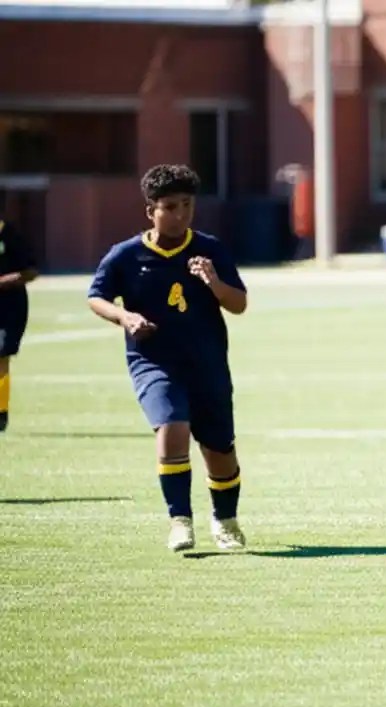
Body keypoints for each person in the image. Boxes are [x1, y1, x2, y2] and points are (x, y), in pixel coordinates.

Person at [87, 165, 249, 552]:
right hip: (154, 362)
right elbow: (96, 297)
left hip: (206, 363)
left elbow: (239, 304)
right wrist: (125, 317)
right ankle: (180, 520)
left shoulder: (209, 249)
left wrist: (214, 282)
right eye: (171, 207)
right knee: (172, 427)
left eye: (187, 205)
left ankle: (225, 520)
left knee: (219, 451)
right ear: (151, 211)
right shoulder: (126, 255)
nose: (180, 214)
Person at [0, 205, 39, 432]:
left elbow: (31, 270)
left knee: (2, 356)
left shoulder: (9, 234)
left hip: (9, 309)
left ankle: (1, 412)